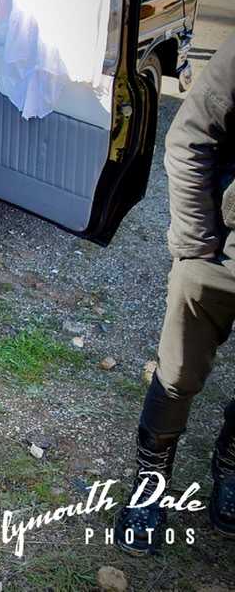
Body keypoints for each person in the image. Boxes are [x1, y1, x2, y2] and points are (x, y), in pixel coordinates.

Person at [112, 34, 235, 554]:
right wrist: (196, 247)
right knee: (177, 373)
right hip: (220, 255)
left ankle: (229, 471)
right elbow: (190, 138)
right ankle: (150, 484)